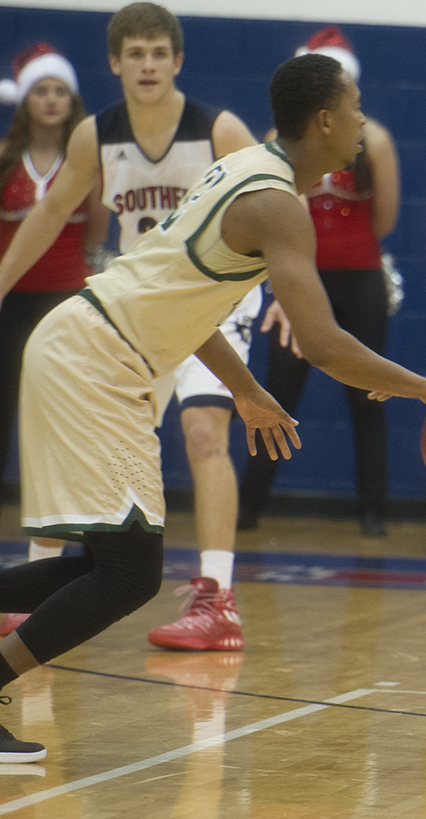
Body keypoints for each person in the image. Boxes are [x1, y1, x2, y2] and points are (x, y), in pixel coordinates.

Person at [0, 52, 426, 762]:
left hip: (94, 345)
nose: (361, 122)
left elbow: (184, 298)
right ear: (324, 118)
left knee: (110, 563)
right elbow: (322, 343)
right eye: (354, 108)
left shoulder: (244, 169)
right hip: (95, 358)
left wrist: (248, 387)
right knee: (129, 572)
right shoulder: (276, 203)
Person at [0, 3, 264, 651]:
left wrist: (284, 291)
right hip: (141, 311)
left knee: (204, 429)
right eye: (135, 53)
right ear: (114, 62)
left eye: (159, 53)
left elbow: (273, 211)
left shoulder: (220, 131)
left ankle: (217, 597)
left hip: (216, 305)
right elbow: (52, 209)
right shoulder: (96, 135)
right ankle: (45, 585)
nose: (147, 64)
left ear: (178, 61)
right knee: (97, 448)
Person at [237, 26, 400, 538]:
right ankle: (248, 510)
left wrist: (345, 251)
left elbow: (386, 220)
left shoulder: (374, 140)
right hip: (297, 279)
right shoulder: (273, 145)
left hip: (360, 280)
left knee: (369, 394)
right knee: (277, 394)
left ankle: (372, 513)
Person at [0, 44, 110, 638]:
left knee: (51, 438)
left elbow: (95, 236)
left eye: (60, 91)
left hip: (63, 308)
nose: (50, 100)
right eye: (40, 90)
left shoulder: (84, 167)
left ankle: (38, 572)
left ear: (72, 101)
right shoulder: (3, 160)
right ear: (26, 100)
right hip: (8, 305)